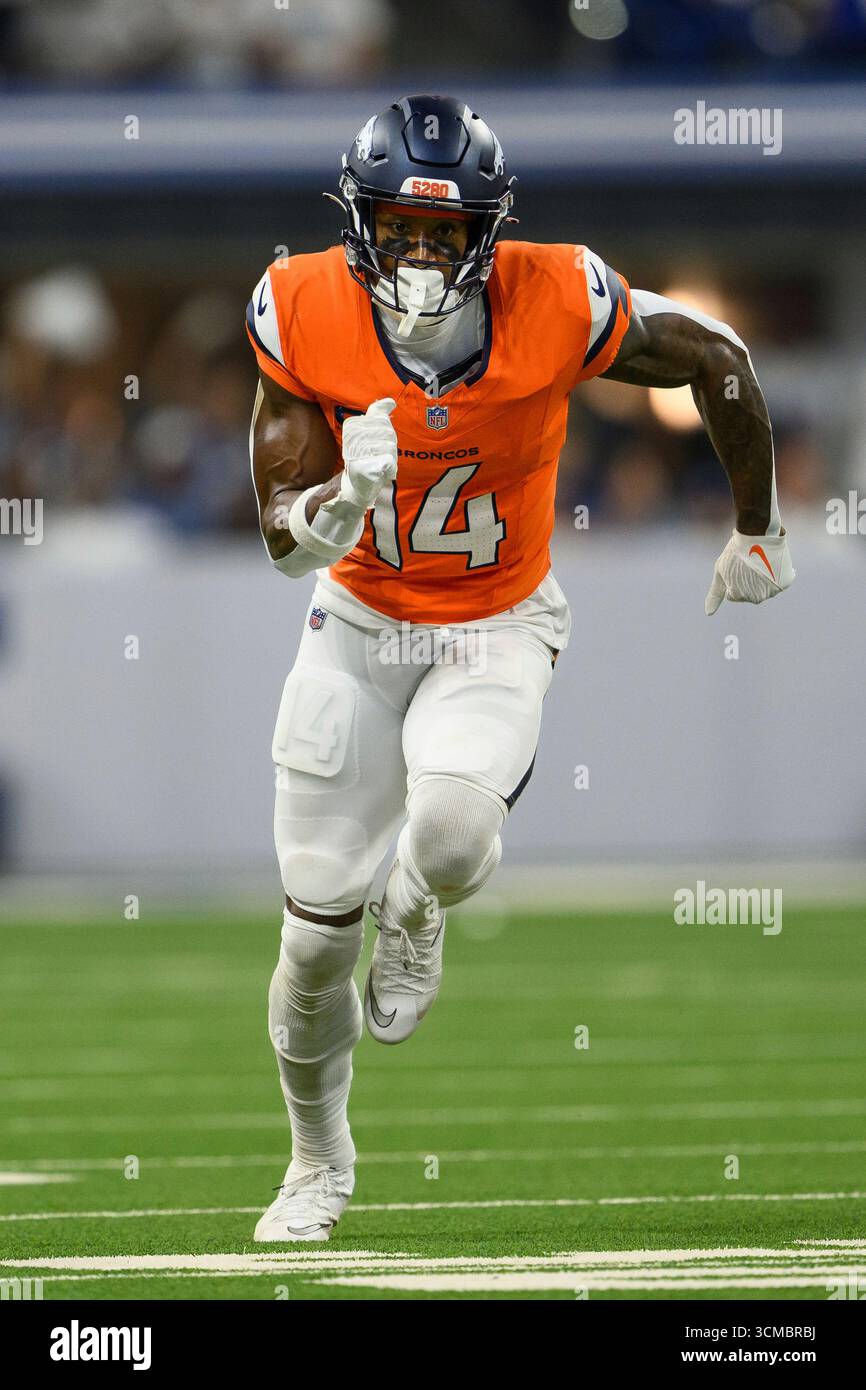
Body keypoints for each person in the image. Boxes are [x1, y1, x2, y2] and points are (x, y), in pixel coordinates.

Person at [245, 94, 795, 1241]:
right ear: (359, 223)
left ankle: (418, 909)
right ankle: (316, 1158)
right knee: (308, 939)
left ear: (485, 234)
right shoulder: (299, 305)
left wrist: (758, 526)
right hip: (354, 621)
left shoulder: (555, 295)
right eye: (398, 225)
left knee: (445, 834)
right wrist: (341, 502)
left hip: (494, 622)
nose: (417, 252)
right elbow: (279, 540)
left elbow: (716, 354)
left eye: (442, 233)